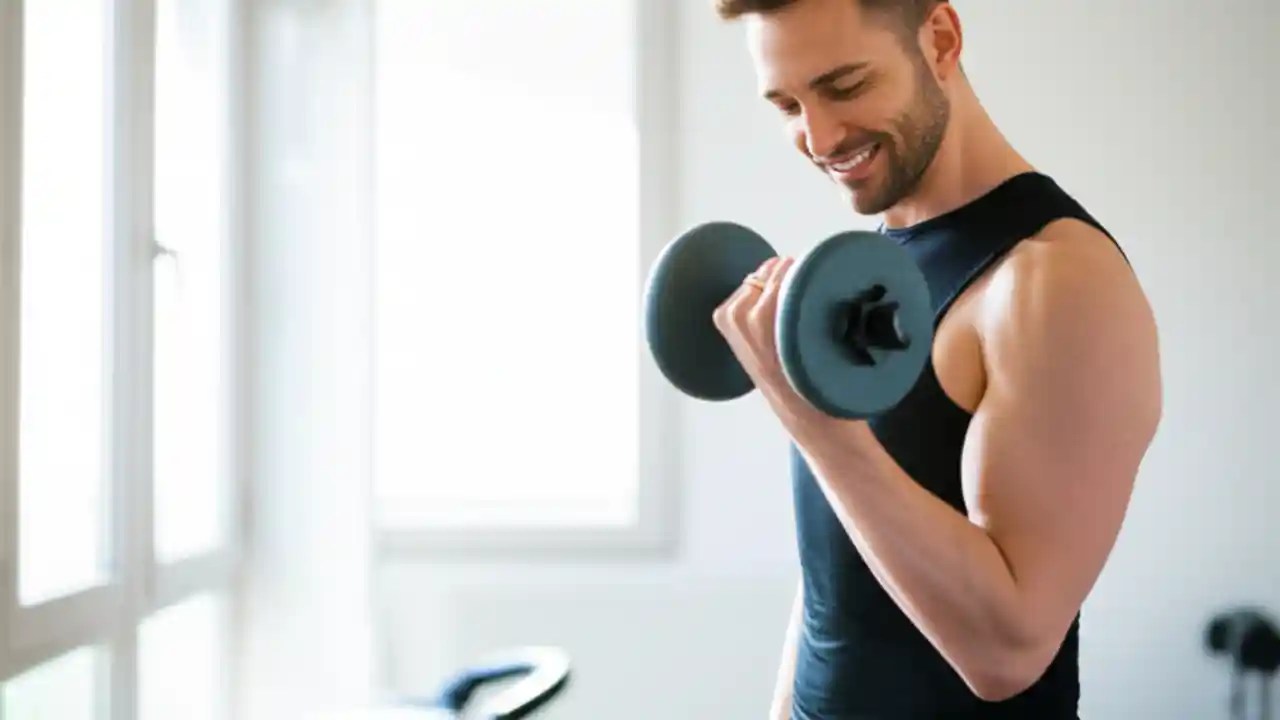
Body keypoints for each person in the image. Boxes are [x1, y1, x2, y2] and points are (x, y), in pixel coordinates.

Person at [708, 1, 1164, 718]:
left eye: (845, 86)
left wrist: (815, 424)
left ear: (941, 40)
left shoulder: (1053, 280)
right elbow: (838, 580)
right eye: (788, 105)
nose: (818, 138)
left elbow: (1007, 653)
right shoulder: (877, 262)